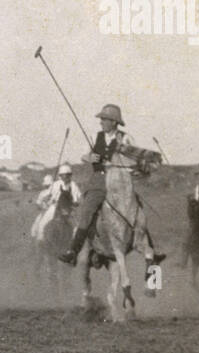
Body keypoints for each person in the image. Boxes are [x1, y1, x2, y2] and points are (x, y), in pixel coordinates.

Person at [57, 103, 165, 267]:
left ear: (114, 122)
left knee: (138, 212)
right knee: (87, 209)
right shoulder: (97, 136)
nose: (101, 122)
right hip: (99, 181)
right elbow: (84, 157)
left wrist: (133, 169)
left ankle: (152, 251)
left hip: (120, 182)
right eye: (101, 119)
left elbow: (136, 159)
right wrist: (91, 158)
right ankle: (74, 250)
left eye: (104, 119)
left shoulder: (126, 138)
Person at [31, 163, 80, 240]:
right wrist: (46, 198)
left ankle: (74, 244)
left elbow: (77, 198)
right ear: (60, 176)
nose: (66, 177)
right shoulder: (55, 184)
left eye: (68, 175)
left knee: (76, 227)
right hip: (55, 206)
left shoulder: (73, 185)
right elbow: (47, 195)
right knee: (43, 222)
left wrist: (75, 203)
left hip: (69, 208)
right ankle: (41, 239)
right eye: (63, 175)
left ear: (70, 175)